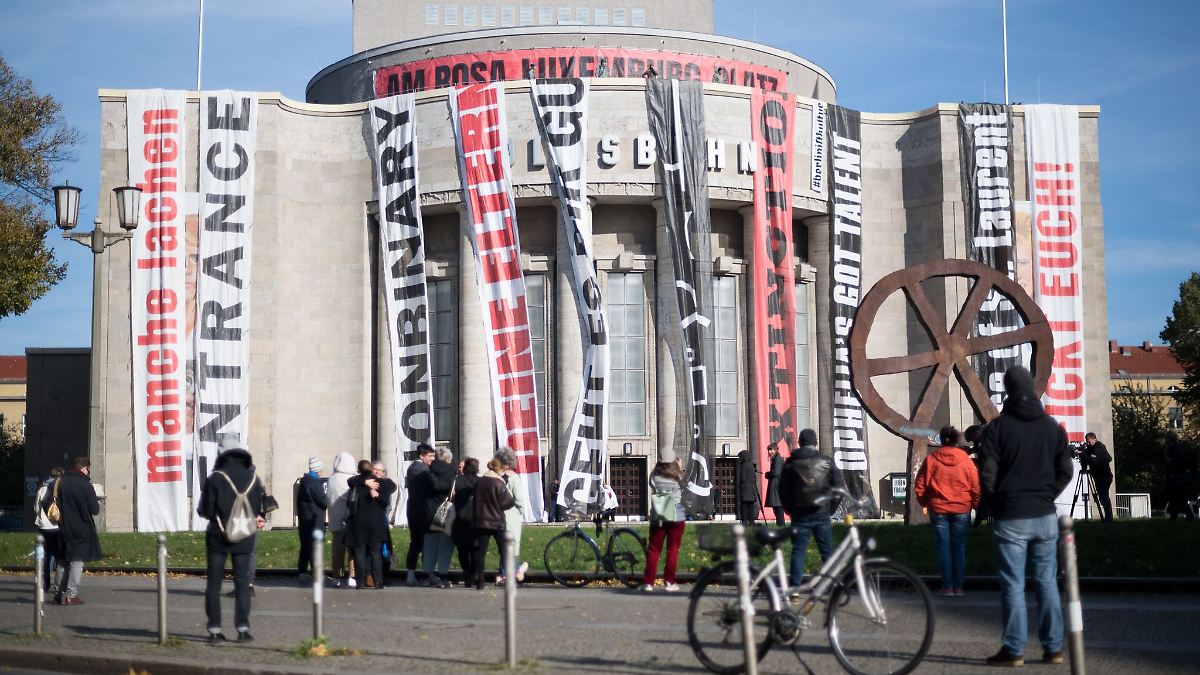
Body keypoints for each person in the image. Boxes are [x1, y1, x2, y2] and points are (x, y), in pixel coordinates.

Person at [977, 366, 1073, 666]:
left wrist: (999, 502)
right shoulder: (1053, 428)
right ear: (1032, 388)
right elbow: (1066, 471)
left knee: (1013, 585)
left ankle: (1014, 649)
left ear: (1007, 390)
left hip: (1011, 516)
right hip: (1045, 514)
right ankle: (1054, 647)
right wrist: (1046, 496)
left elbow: (987, 474)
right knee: (1047, 583)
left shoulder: (997, 429)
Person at [197, 438, 266, 643]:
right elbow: (258, 508)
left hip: (218, 537)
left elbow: (205, 510)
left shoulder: (215, 478)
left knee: (214, 583)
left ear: (221, 454)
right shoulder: (253, 478)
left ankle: (215, 631)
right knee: (242, 583)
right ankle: (243, 630)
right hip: (245, 535)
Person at [914, 426, 980, 596]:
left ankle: (947, 587)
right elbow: (975, 485)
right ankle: (958, 587)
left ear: (941, 440)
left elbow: (920, 484)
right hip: (961, 508)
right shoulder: (965, 459)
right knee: (959, 548)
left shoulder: (932, 459)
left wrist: (925, 502)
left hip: (938, 508)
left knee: (943, 548)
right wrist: (974, 504)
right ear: (957, 440)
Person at [778, 428, 843, 588]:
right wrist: (830, 509)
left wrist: (790, 510)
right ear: (816, 443)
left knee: (798, 551)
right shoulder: (827, 461)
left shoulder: (792, 462)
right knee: (827, 552)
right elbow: (838, 487)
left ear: (799, 442)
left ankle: (794, 588)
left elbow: (782, 489)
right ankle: (831, 587)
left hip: (799, 514)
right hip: (822, 513)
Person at [40, 457, 101, 606]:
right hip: (81, 528)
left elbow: (45, 501)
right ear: (84, 468)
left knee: (62, 561)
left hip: (62, 527)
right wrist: (98, 503)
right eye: (88, 469)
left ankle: (57, 595)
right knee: (77, 561)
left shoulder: (57, 482)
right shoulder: (86, 485)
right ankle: (71, 595)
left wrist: (57, 517)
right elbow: (94, 509)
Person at [345, 459, 396, 589]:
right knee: (375, 553)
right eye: (375, 469)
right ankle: (378, 581)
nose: (378, 472)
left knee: (360, 553)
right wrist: (369, 486)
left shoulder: (357, 482)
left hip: (360, 523)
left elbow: (350, 481)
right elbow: (388, 496)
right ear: (371, 469)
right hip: (375, 524)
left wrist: (371, 489)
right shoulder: (380, 482)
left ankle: (360, 582)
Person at [471, 457, 515, 589]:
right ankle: (508, 578)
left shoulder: (479, 482)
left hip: (481, 521)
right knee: (504, 550)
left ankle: (480, 581)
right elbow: (509, 502)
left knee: (481, 552)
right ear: (498, 469)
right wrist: (499, 506)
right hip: (497, 521)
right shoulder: (499, 483)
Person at [642, 460, 686, 592]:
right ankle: (669, 582)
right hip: (676, 516)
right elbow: (684, 484)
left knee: (654, 550)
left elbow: (651, 482)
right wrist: (679, 468)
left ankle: (648, 583)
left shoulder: (654, 477)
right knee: (672, 550)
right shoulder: (678, 477)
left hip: (659, 515)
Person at [421, 447, 457, 587]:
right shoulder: (451, 472)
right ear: (448, 459)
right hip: (445, 511)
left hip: (428, 511)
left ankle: (427, 575)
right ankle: (442, 575)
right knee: (445, 545)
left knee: (429, 544)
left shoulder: (426, 472)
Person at [405, 443, 436, 586]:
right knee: (422, 543)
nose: (432, 459)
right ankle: (426, 574)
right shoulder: (421, 469)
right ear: (421, 455)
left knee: (416, 543)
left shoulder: (415, 468)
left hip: (414, 510)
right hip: (421, 512)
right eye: (430, 456)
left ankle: (413, 574)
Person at [497, 448, 530, 583]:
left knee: (503, 546)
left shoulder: (497, 477)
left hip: (498, 515)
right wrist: (521, 512)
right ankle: (515, 571)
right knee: (512, 545)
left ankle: (502, 573)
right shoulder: (514, 478)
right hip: (512, 515)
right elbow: (520, 500)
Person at [296, 456, 329, 582]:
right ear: (317, 470)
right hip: (314, 519)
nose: (322, 473)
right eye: (321, 470)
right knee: (316, 546)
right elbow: (322, 501)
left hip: (305, 518)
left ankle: (302, 572)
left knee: (305, 546)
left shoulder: (305, 480)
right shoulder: (314, 482)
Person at [326, 452, 357, 587]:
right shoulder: (352, 479)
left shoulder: (331, 479)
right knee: (352, 550)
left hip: (335, 520)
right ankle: (352, 576)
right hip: (349, 520)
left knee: (337, 551)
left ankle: (337, 576)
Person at [33, 467, 64, 593]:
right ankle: (60, 584)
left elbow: (36, 507)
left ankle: (46, 584)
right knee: (59, 556)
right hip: (56, 527)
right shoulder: (60, 489)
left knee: (45, 557)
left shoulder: (42, 489)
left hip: (43, 527)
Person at [451, 458, 480, 578]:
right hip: (476, 519)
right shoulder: (480, 481)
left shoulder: (457, 481)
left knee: (462, 550)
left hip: (460, 518)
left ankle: (467, 573)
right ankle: (474, 573)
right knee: (475, 549)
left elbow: (452, 496)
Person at [1164, 431, 1197, 520]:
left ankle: (1175, 516)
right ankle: (1187, 516)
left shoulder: (1172, 449)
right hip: (1182, 476)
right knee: (1181, 498)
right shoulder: (1181, 448)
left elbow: (1170, 462)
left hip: (1175, 477)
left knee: (1174, 497)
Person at [1081, 432, 1114, 522]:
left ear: (1094, 439)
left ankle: (1109, 518)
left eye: (1089, 442)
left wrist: (1083, 454)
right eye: (1087, 442)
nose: (1088, 444)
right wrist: (1082, 453)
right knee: (1102, 497)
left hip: (1104, 476)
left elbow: (1092, 460)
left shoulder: (1099, 447)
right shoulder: (1092, 448)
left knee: (1104, 497)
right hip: (1099, 477)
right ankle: (1108, 518)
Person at [964, 424, 990, 527]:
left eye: (972, 439)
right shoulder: (983, 440)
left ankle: (978, 522)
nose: (974, 442)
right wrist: (972, 449)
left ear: (976, 434)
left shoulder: (989, 438)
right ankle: (978, 522)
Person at [764, 442, 787, 526]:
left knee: (778, 508)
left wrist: (768, 474)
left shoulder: (778, 459)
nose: (770, 452)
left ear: (776, 450)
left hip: (776, 487)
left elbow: (776, 473)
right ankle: (780, 525)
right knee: (776, 508)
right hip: (776, 486)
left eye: (771, 450)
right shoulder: (777, 459)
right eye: (769, 450)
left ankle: (781, 525)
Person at [736, 449, 760, 524]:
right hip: (752, 490)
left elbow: (742, 478)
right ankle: (751, 522)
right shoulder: (751, 465)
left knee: (744, 507)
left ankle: (745, 522)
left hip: (745, 490)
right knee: (751, 507)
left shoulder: (744, 465)